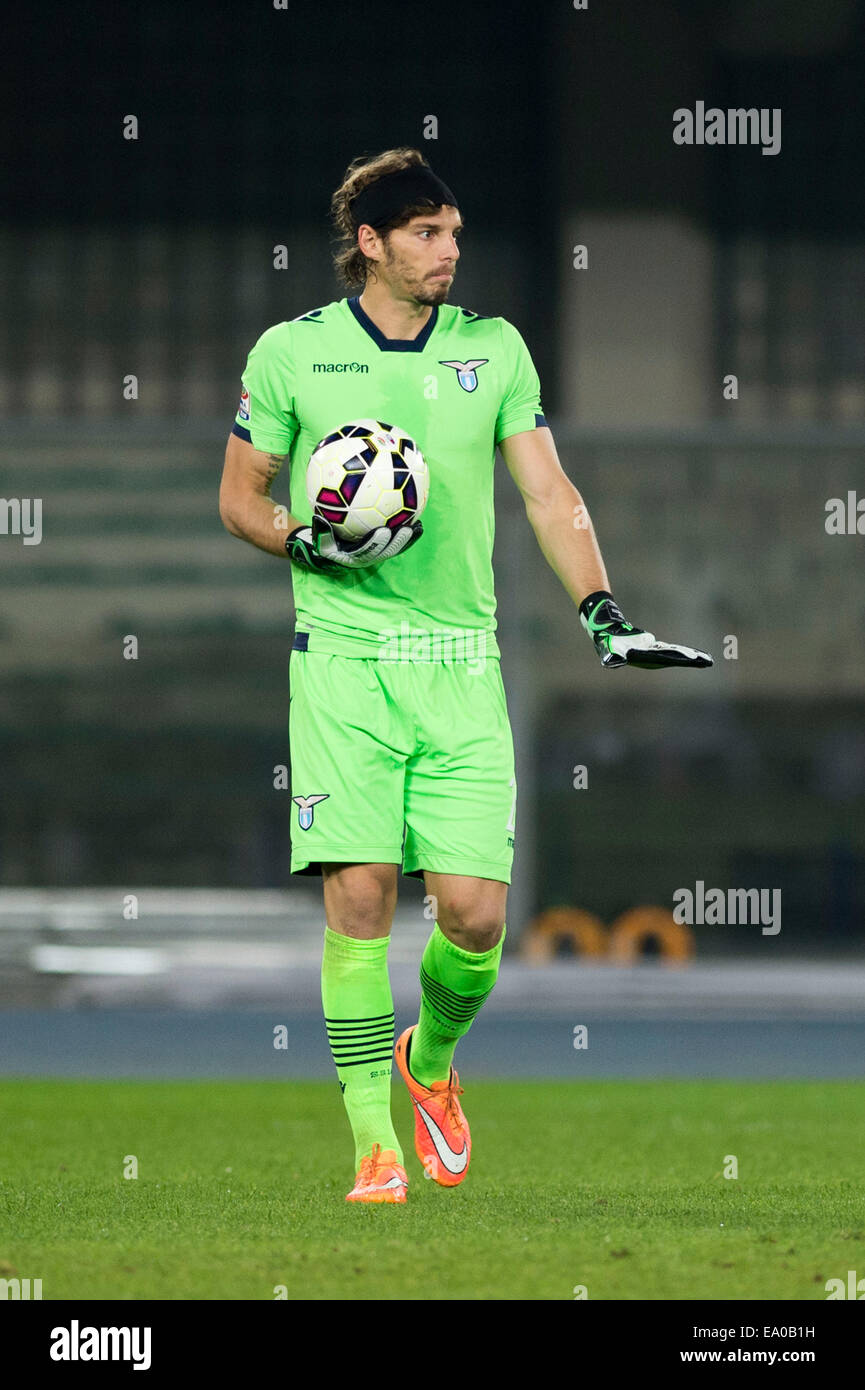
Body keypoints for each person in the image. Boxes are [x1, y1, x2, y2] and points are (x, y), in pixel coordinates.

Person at [219, 146, 712, 1204]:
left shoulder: (493, 351)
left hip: (458, 665)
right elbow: (240, 499)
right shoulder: (291, 354)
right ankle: (371, 1146)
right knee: (357, 899)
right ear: (370, 243)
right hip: (344, 664)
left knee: (475, 918)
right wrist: (307, 541)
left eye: (452, 233)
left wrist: (602, 611)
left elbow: (546, 492)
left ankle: (428, 1062)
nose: (449, 253)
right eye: (426, 235)